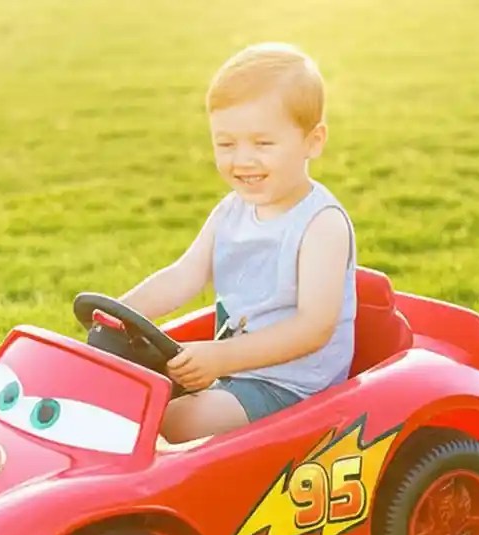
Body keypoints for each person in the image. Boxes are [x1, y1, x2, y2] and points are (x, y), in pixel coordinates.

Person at [117, 42, 357, 443]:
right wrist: (121, 311)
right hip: (233, 371)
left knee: (175, 423)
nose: (242, 159)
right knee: (123, 395)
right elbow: (183, 276)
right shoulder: (231, 212)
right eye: (226, 144)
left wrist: (219, 357)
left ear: (313, 141)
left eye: (263, 144)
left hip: (293, 387)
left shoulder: (321, 225)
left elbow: (313, 329)